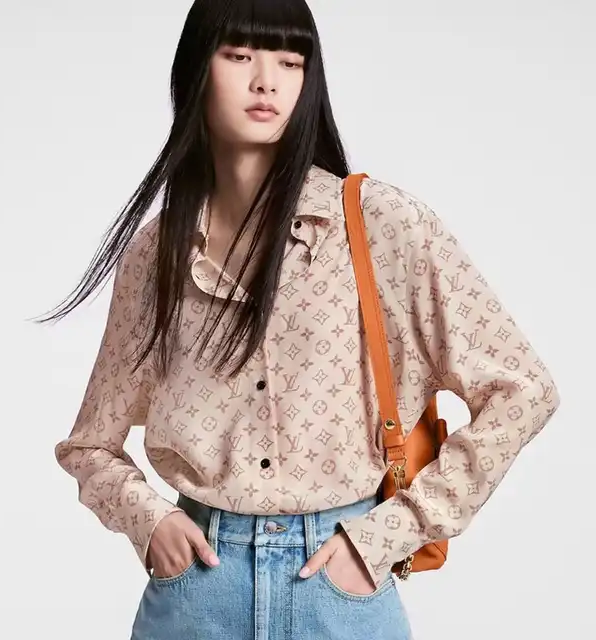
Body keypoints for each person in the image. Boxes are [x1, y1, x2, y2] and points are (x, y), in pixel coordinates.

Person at [42, 0, 560, 638]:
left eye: (291, 62)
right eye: (239, 55)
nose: (267, 81)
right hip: (198, 591)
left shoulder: (382, 225)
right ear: (196, 70)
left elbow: (524, 390)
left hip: (339, 588)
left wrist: (391, 532)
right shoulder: (157, 255)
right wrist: (149, 521)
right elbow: (90, 445)